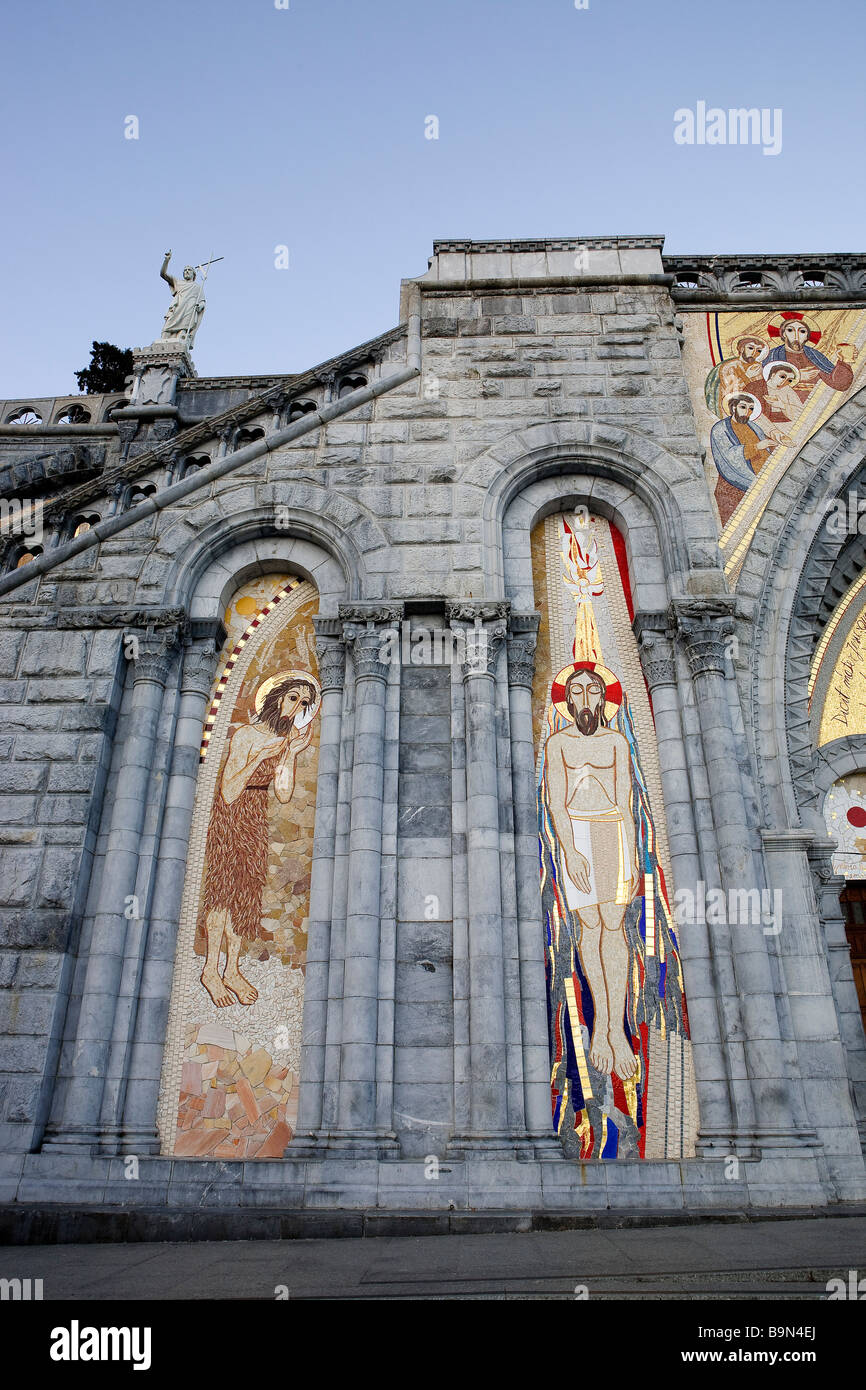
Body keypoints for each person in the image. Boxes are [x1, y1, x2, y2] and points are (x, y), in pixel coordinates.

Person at [198, 672, 320, 1008]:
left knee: (246, 893)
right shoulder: (247, 735)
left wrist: (290, 754)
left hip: (254, 816)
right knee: (222, 890)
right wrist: (261, 753)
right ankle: (210, 969)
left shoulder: (284, 743)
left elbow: (282, 795)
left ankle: (233, 969)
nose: (296, 707)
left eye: (304, 704)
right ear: (278, 697)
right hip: (230, 815)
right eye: (293, 698)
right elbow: (229, 788)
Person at [543, 666, 641, 1080]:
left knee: (614, 924)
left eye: (593, 692)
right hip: (577, 834)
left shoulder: (616, 742)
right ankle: (600, 1027)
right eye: (577, 692)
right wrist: (570, 851)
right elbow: (555, 801)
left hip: (612, 831)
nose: (585, 700)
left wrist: (632, 854)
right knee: (590, 927)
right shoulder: (558, 743)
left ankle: (616, 1031)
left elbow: (626, 797)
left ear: (603, 700)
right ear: (567, 700)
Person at [709, 393, 776, 525]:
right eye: (743, 407)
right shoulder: (720, 429)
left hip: (764, 475)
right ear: (733, 408)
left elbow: (766, 448)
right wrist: (757, 446)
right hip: (736, 483)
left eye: (751, 409)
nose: (747, 412)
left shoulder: (754, 427)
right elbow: (727, 456)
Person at [160, 250, 206, 346]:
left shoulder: (197, 287)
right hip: (178, 307)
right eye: (185, 270)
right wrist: (166, 260)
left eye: (189, 270)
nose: (187, 272)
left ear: (194, 274)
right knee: (166, 328)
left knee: (183, 330)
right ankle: (162, 343)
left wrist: (200, 306)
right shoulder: (178, 282)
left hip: (189, 309)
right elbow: (163, 274)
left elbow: (202, 301)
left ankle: (180, 344)